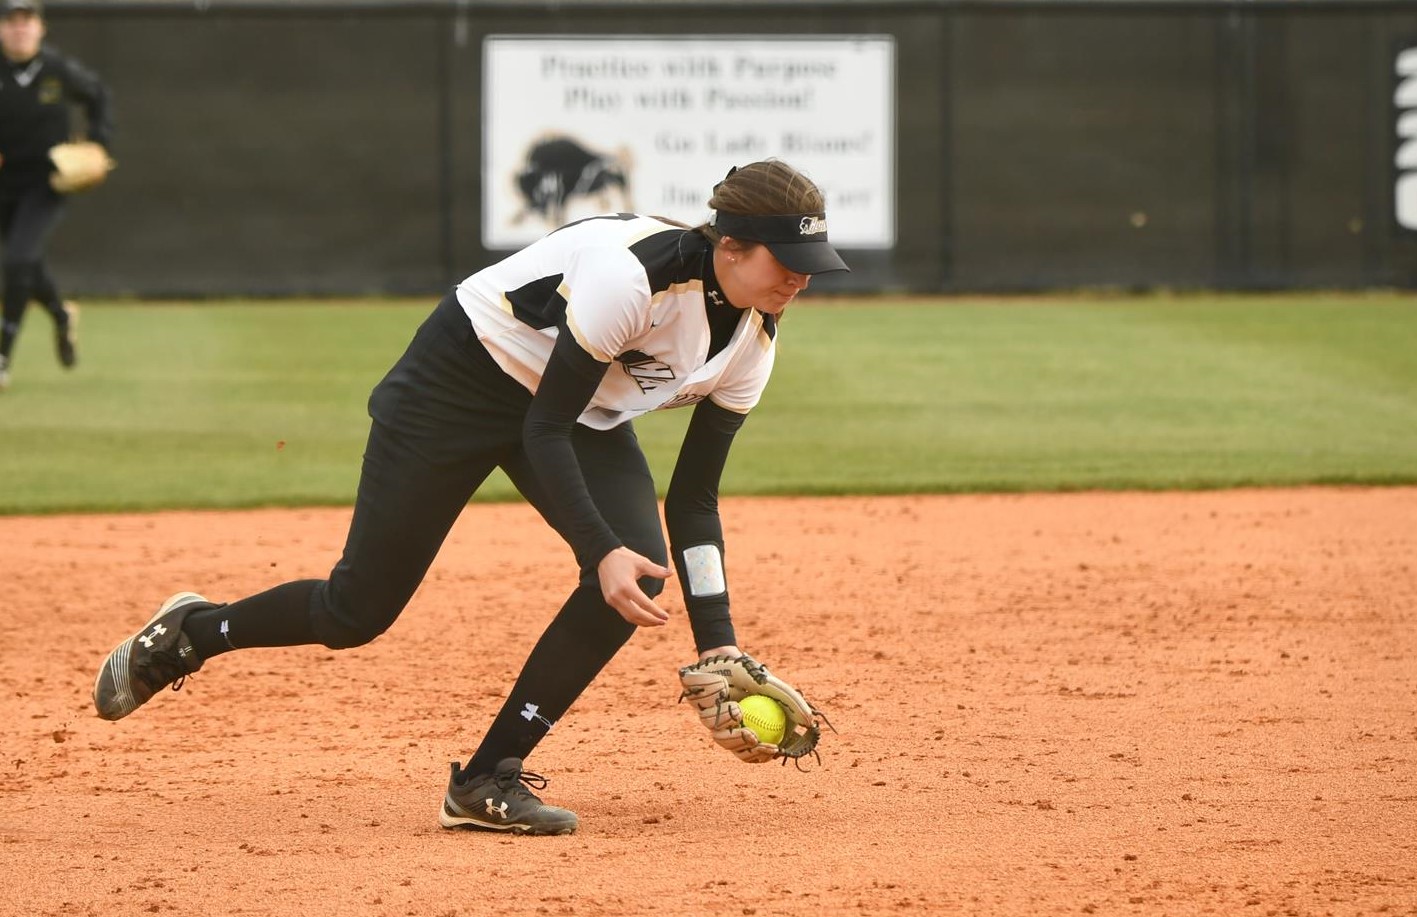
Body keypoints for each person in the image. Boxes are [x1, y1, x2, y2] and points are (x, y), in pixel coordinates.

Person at [91, 159, 847, 835]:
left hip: (575, 409)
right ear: (730, 246)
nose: (801, 280)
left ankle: (488, 778)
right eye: (788, 261)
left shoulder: (753, 339)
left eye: (811, 265)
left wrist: (716, 637)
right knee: (356, 612)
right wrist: (600, 549)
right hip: (462, 377)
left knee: (637, 571)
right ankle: (193, 633)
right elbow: (542, 427)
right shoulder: (634, 279)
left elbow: (694, 500)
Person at [0, 0, 111, 390]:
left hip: (45, 184)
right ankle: (62, 315)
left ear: (40, 28)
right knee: (26, 264)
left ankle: (2, 357)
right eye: (11, 22)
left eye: (27, 21)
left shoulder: (56, 71)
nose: (20, 29)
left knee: (18, 259)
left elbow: (98, 96)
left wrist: (99, 143)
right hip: (3, 183)